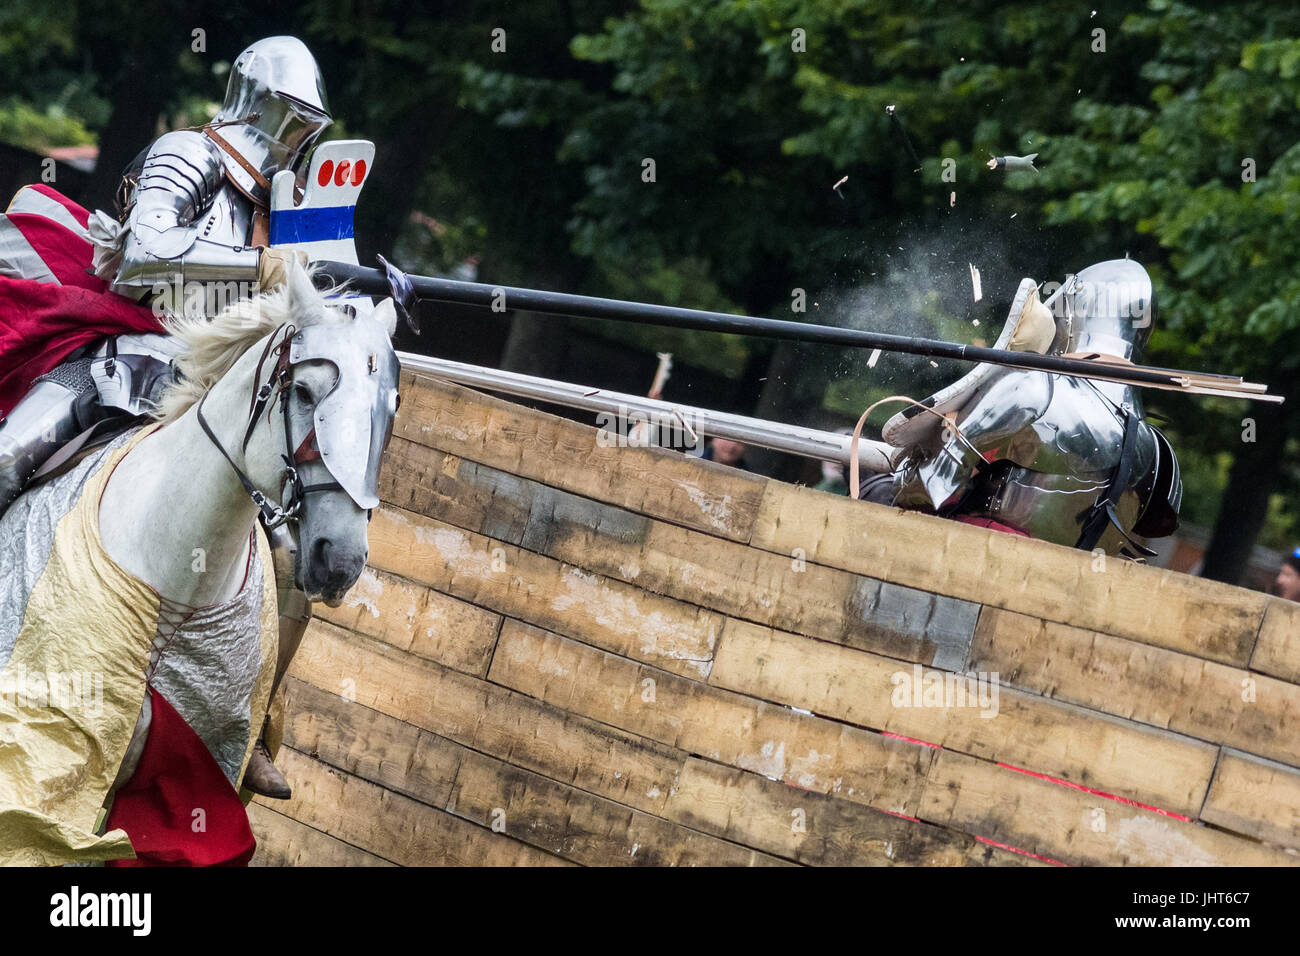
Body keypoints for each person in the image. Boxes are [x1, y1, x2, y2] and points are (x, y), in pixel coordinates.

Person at [0, 36, 333, 799]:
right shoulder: (190, 152)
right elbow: (148, 252)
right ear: (253, 99)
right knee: (9, 456)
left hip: (221, 397)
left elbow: (307, 300)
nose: (293, 134)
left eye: (305, 122)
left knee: (296, 557)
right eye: (287, 114)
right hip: (128, 361)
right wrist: (257, 267)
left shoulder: (290, 203)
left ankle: (247, 724)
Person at [868, 260, 1183, 557]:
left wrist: (898, 467)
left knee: (875, 494)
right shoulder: (1153, 449)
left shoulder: (1033, 387)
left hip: (968, 558)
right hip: (1059, 590)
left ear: (1071, 314)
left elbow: (921, 492)